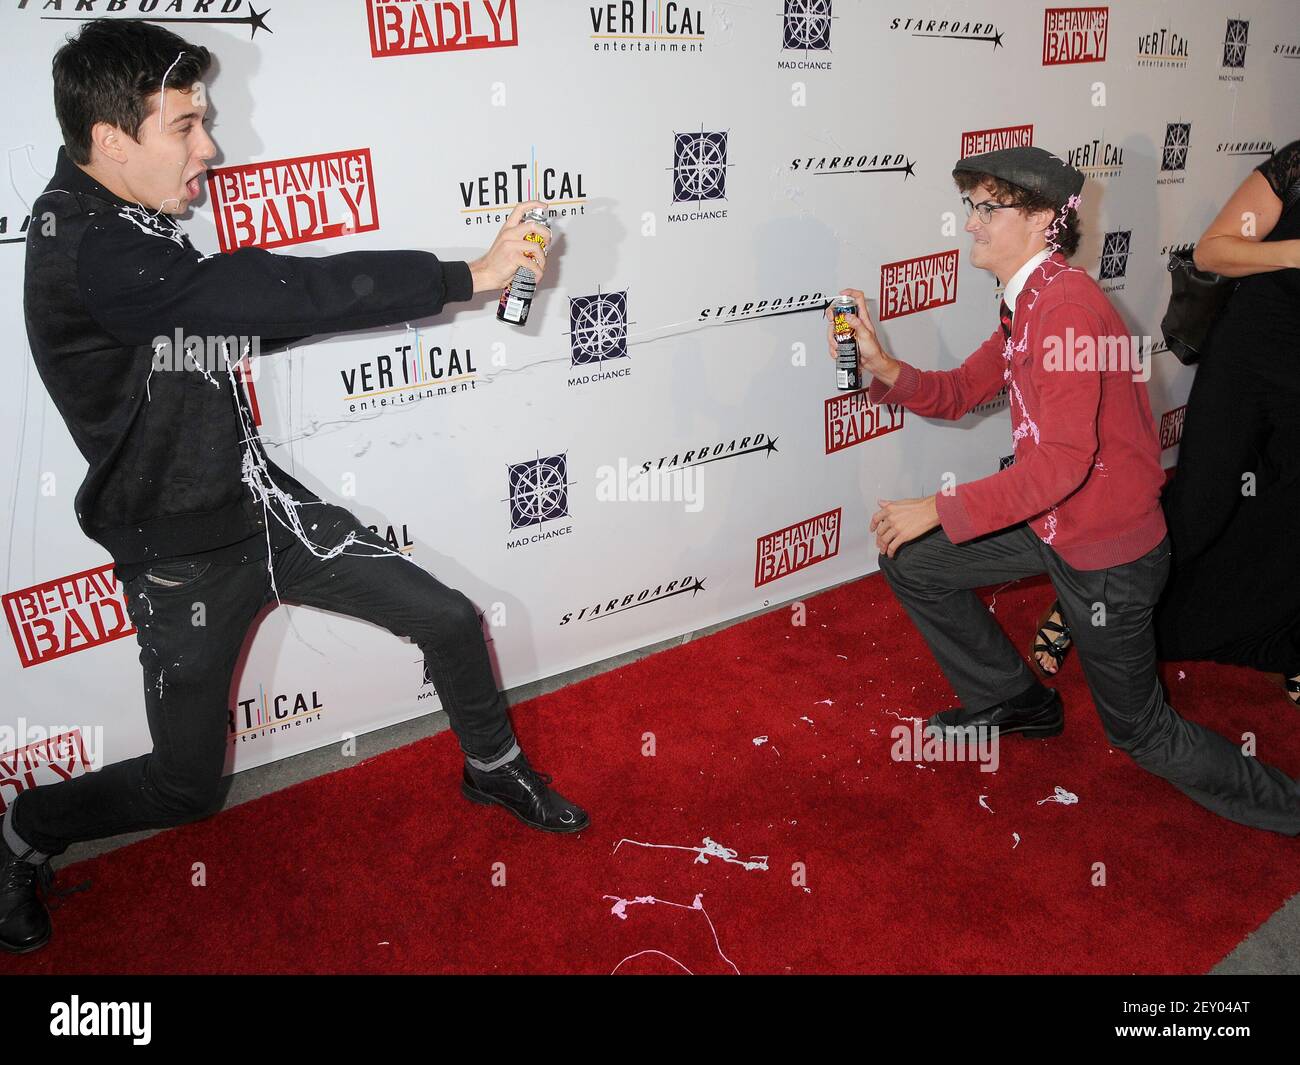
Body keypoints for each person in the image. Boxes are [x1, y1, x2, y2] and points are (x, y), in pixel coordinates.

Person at [1, 19, 587, 956]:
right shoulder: (91, 248)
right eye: (185, 124)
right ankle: (25, 831)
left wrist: (408, 291)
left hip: (259, 502)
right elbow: (277, 294)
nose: (211, 146)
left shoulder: (120, 227)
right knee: (187, 789)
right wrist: (468, 276)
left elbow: (226, 324)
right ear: (113, 141)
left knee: (442, 615)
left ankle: (492, 765)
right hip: (181, 551)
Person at [826, 145, 1300, 837]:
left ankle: (1290, 806)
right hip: (1052, 523)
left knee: (1143, 732)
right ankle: (1016, 700)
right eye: (972, 207)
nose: (970, 225)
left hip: (1107, 555)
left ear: (1046, 219)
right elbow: (959, 393)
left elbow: (1061, 466)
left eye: (988, 209)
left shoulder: (1068, 310)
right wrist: (881, 365)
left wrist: (938, 507)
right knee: (914, 560)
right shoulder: (1030, 298)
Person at [1029, 141, 1300, 708]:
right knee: (1202, 500)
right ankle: (1088, 599)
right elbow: (1213, 251)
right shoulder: (1296, 166)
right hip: (1256, 350)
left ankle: (1280, 640)